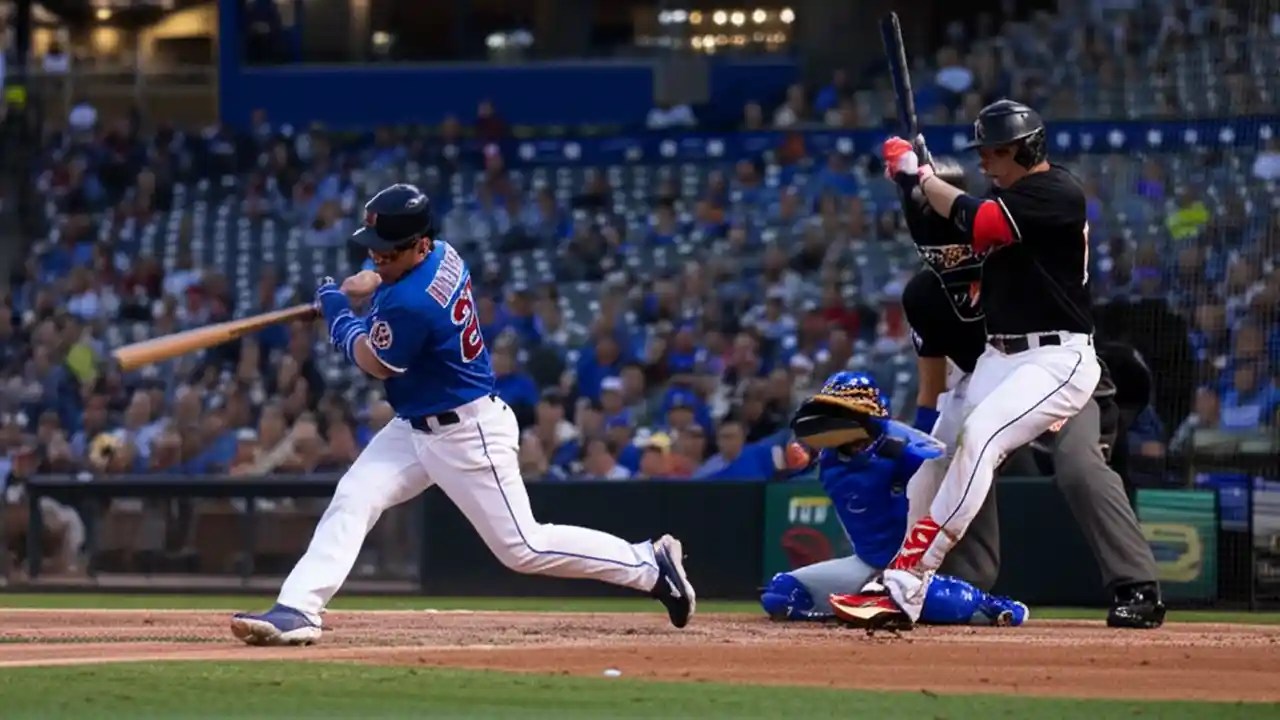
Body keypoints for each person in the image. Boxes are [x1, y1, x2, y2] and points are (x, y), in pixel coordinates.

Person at [230, 184, 695, 646]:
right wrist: (369, 278)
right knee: (354, 496)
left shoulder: (409, 303)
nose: (378, 258)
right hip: (417, 422)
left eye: (387, 251)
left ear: (419, 245)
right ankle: (299, 608)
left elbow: (373, 360)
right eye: (374, 250)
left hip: (466, 433)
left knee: (524, 547)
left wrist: (337, 314)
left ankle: (649, 564)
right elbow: (390, 278)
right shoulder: (443, 254)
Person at [829, 100, 1104, 629]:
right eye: (982, 152)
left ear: (1029, 148)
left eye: (997, 151)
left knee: (980, 435)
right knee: (934, 457)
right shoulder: (1007, 198)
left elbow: (976, 219)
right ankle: (895, 579)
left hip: (1058, 356)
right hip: (999, 358)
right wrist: (909, 185)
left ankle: (908, 579)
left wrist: (926, 178)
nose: (987, 161)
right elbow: (942, 241)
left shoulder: (1055, 192)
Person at [885, 145, 1165, 628]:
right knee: (954, 453)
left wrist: (927, 185)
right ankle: (961, 579)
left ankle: (1136, 585)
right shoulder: (924, 295)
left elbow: (986, 223)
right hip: (991, 384)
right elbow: (932, 387)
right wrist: (916, 450)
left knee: (1077, 466)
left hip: (1057, 374)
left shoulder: (1007, 246)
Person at [760, 372, 1029, 626]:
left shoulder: (908, 450)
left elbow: (947, 467)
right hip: (867, 562)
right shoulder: (828, 455)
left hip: (914, 569)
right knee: (782, 593)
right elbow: (803, 450)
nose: (833, 420)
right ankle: (847, 611)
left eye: (842, 412)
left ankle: (991, 606)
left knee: (925, 598)